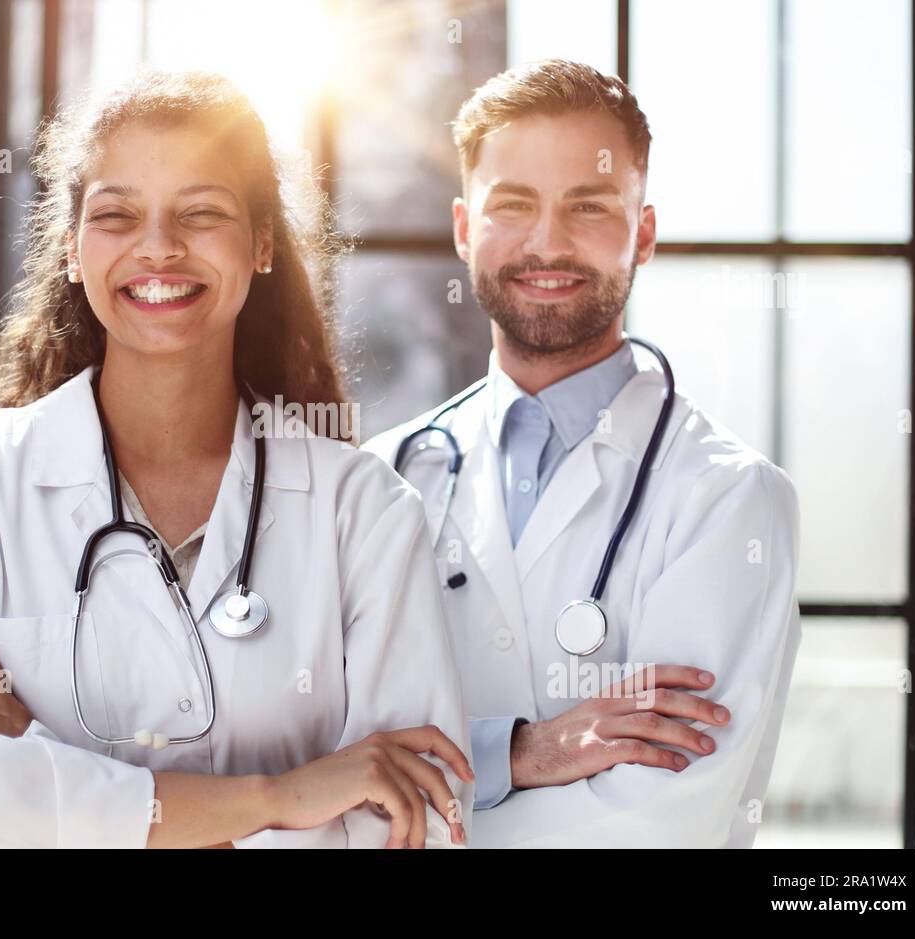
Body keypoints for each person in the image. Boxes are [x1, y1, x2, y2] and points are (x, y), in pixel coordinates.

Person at [0, 69, 473, 849]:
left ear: (262, 243)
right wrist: (282, 797)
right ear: (72, 249)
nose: (159, 247)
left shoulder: (362, 510)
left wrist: (44, 771)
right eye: (118, 214)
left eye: (201, 213)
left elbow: (418, 823)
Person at [365, 59, 800, 848]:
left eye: (589, 207)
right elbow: (326, 764)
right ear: (465, 228)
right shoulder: (383, 476)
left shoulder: (730, 499)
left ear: (644, 233)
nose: (547, 242)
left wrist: (429, 802)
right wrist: (521, 751)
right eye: (514, 205)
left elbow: (657, 823)